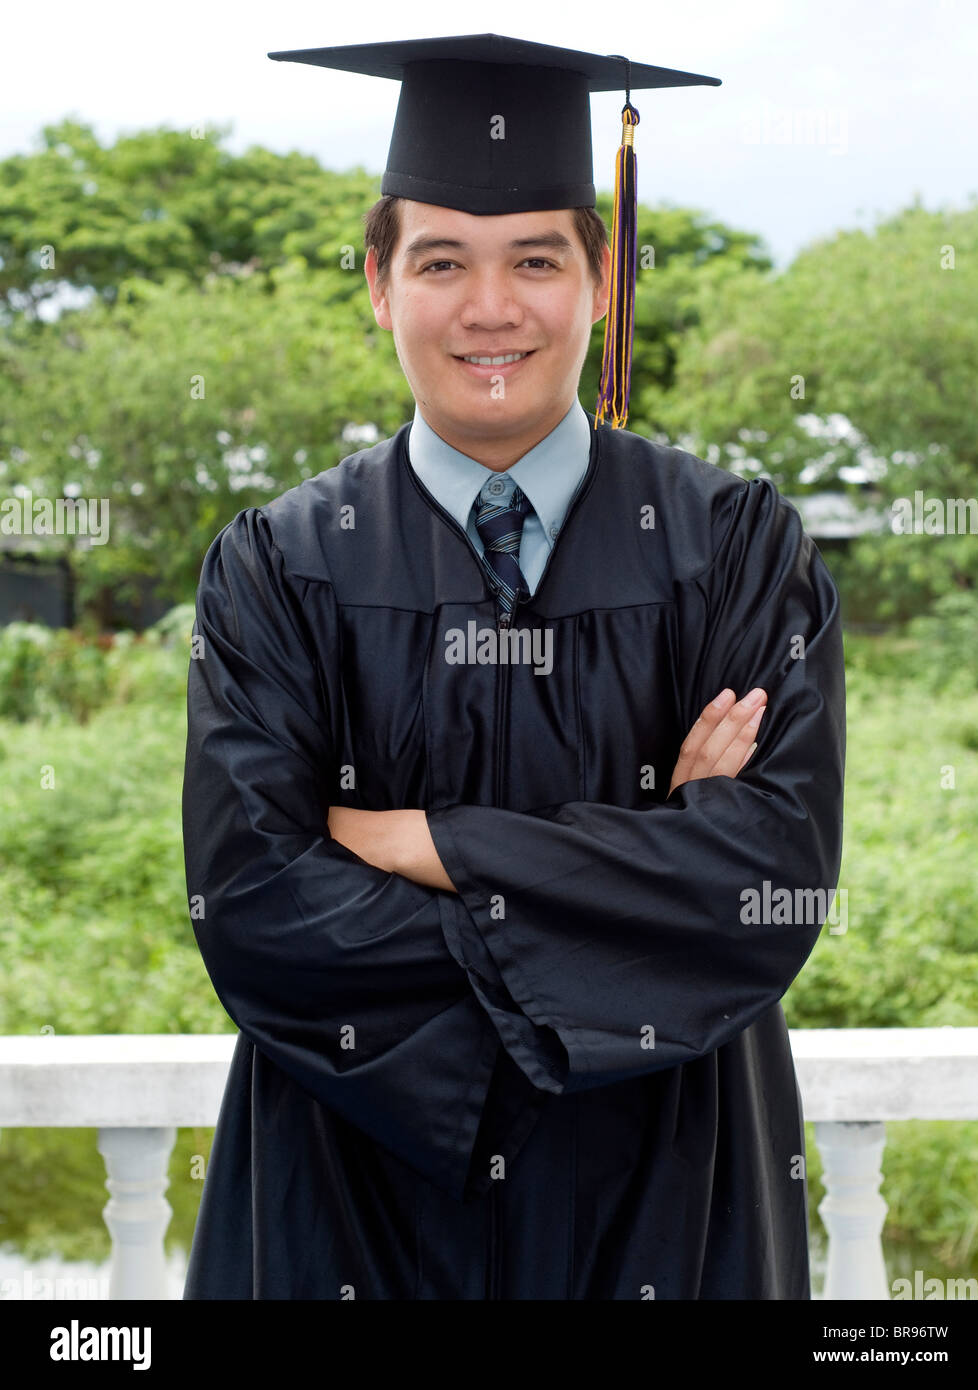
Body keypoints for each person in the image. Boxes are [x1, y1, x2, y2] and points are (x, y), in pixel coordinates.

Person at [182, 34, 845, 1300]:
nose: (491, 307)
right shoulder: (276, 567)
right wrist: (645, 863)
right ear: (378, 284)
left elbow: (764, 886)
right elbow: (260, 916)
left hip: (667, 1191)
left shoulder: (735, 549)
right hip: (350, 1193)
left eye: (535, 257)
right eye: (441, 261)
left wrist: (428, 841)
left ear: (601, 277)